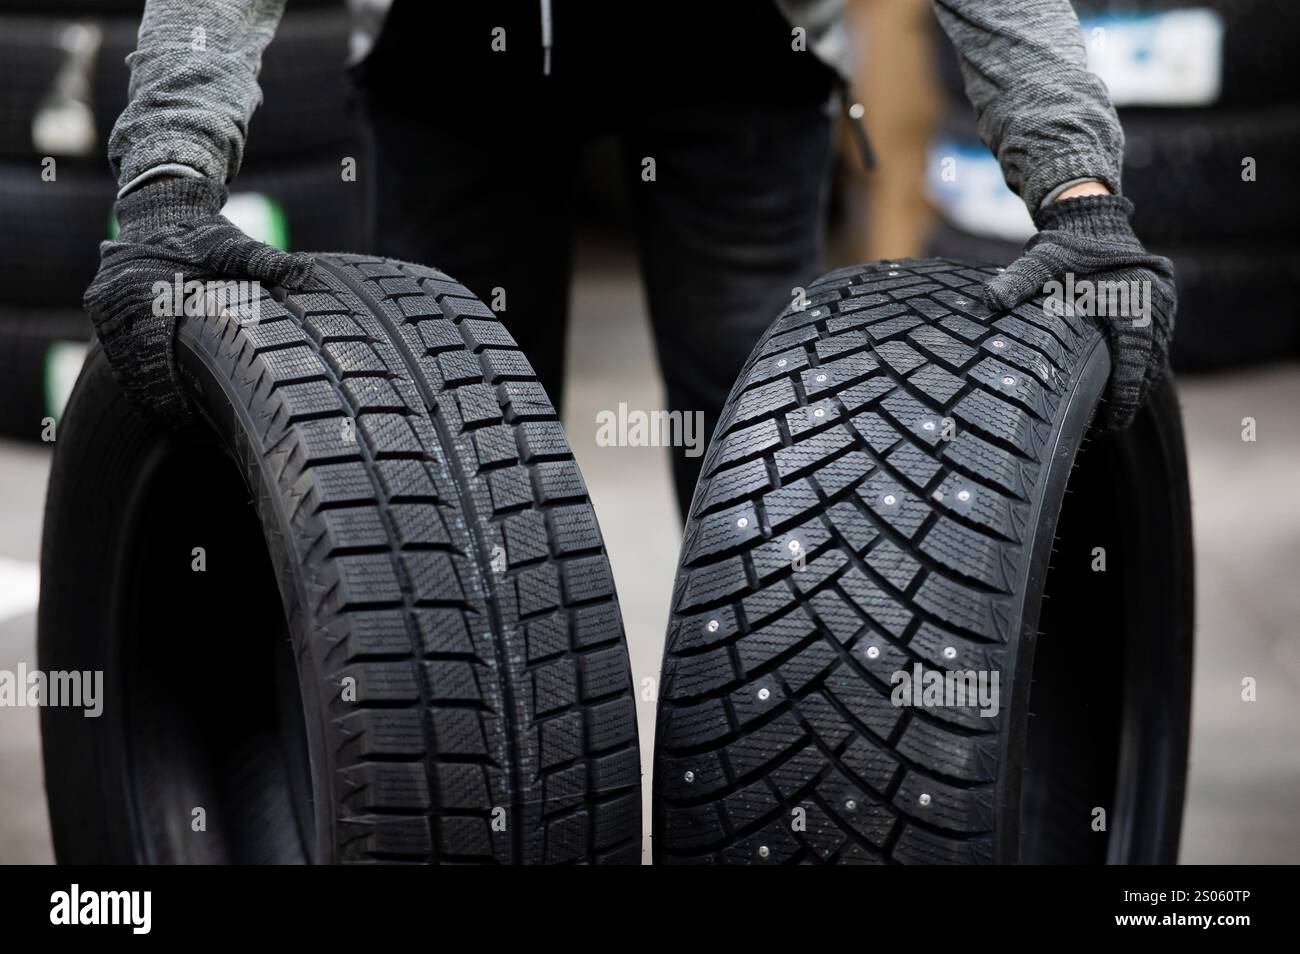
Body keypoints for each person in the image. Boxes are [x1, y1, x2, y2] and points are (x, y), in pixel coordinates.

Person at [85, 0, 1174, 519]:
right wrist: (171, 176)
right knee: (450, 461)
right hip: (460, 50)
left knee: (768, 457)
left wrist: (1076, 192)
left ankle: (783, 764)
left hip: (737, 46)